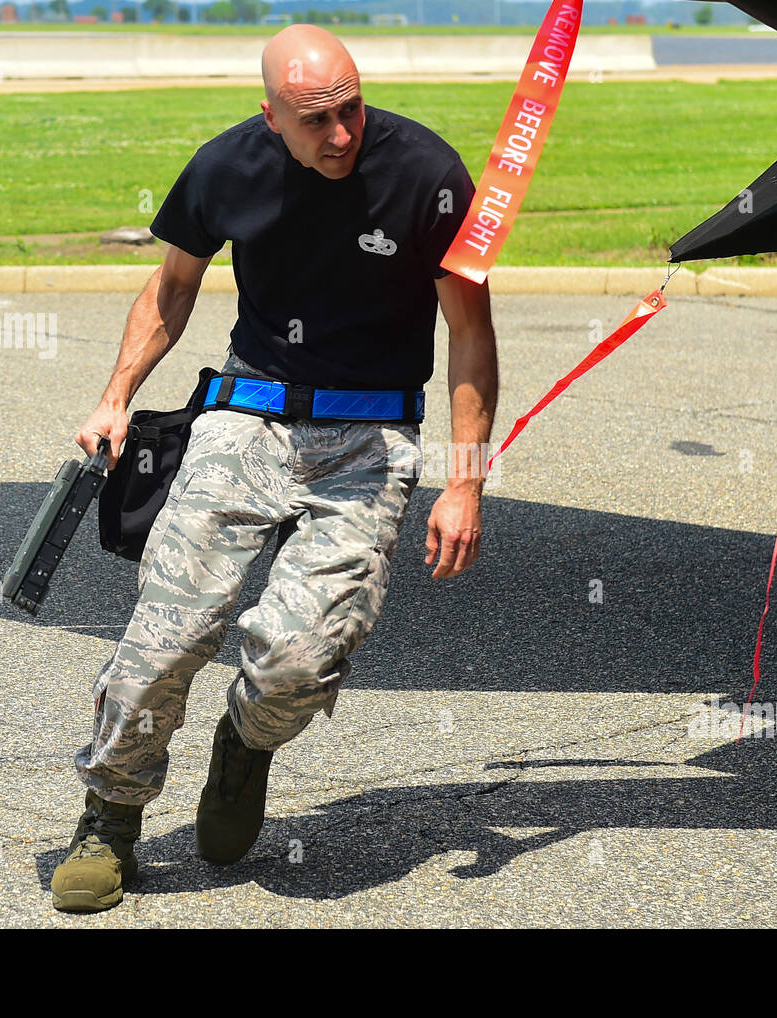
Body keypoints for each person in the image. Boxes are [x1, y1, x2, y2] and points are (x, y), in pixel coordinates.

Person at [50, 24, 499, 913]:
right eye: (315, 121)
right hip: (248, 414)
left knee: (303, 657)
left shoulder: (429, 176)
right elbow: (172, 288)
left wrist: (465, 480)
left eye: (351, 109)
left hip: (368, 440)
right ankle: (110, 814)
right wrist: (114, 396)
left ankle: (245, 745)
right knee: (170, 631)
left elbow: (471, 333)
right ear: (271, 117)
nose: (341, 135)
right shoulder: (227, 167)